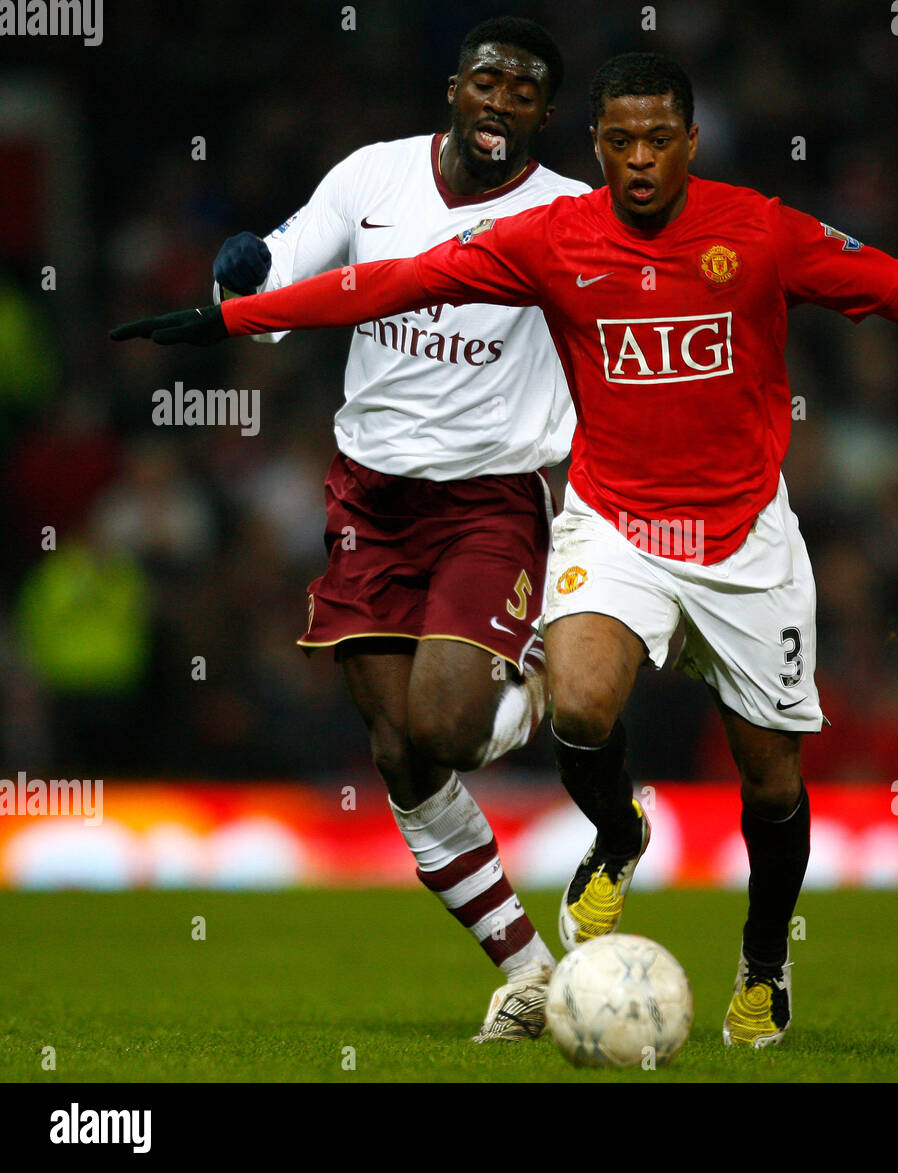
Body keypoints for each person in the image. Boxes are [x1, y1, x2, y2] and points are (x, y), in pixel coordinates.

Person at [113, 52, 898, 1048]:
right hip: (614, 521)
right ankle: (618, 832)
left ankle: (763, 967)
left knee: (770, 787)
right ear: (597, 143)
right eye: (618, 142)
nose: (637, 161)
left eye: (657, 140)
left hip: (744, 540)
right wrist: (233, 323)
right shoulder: (555, 238)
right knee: (578, 704)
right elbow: (392, 285)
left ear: (688, 142)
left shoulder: (760, 231)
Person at [204, 16, 589, 1041]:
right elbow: (284, 280)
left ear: (544, 116)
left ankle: (533, 668)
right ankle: (527, 971)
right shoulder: (372, 178)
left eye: (524, 89)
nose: (501, 98)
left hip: (490, 499)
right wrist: (242, 273)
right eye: (487, 79)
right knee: (400, 752)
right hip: (368, 501)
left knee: (448, 729)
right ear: (454, 90)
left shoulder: (571, 216)